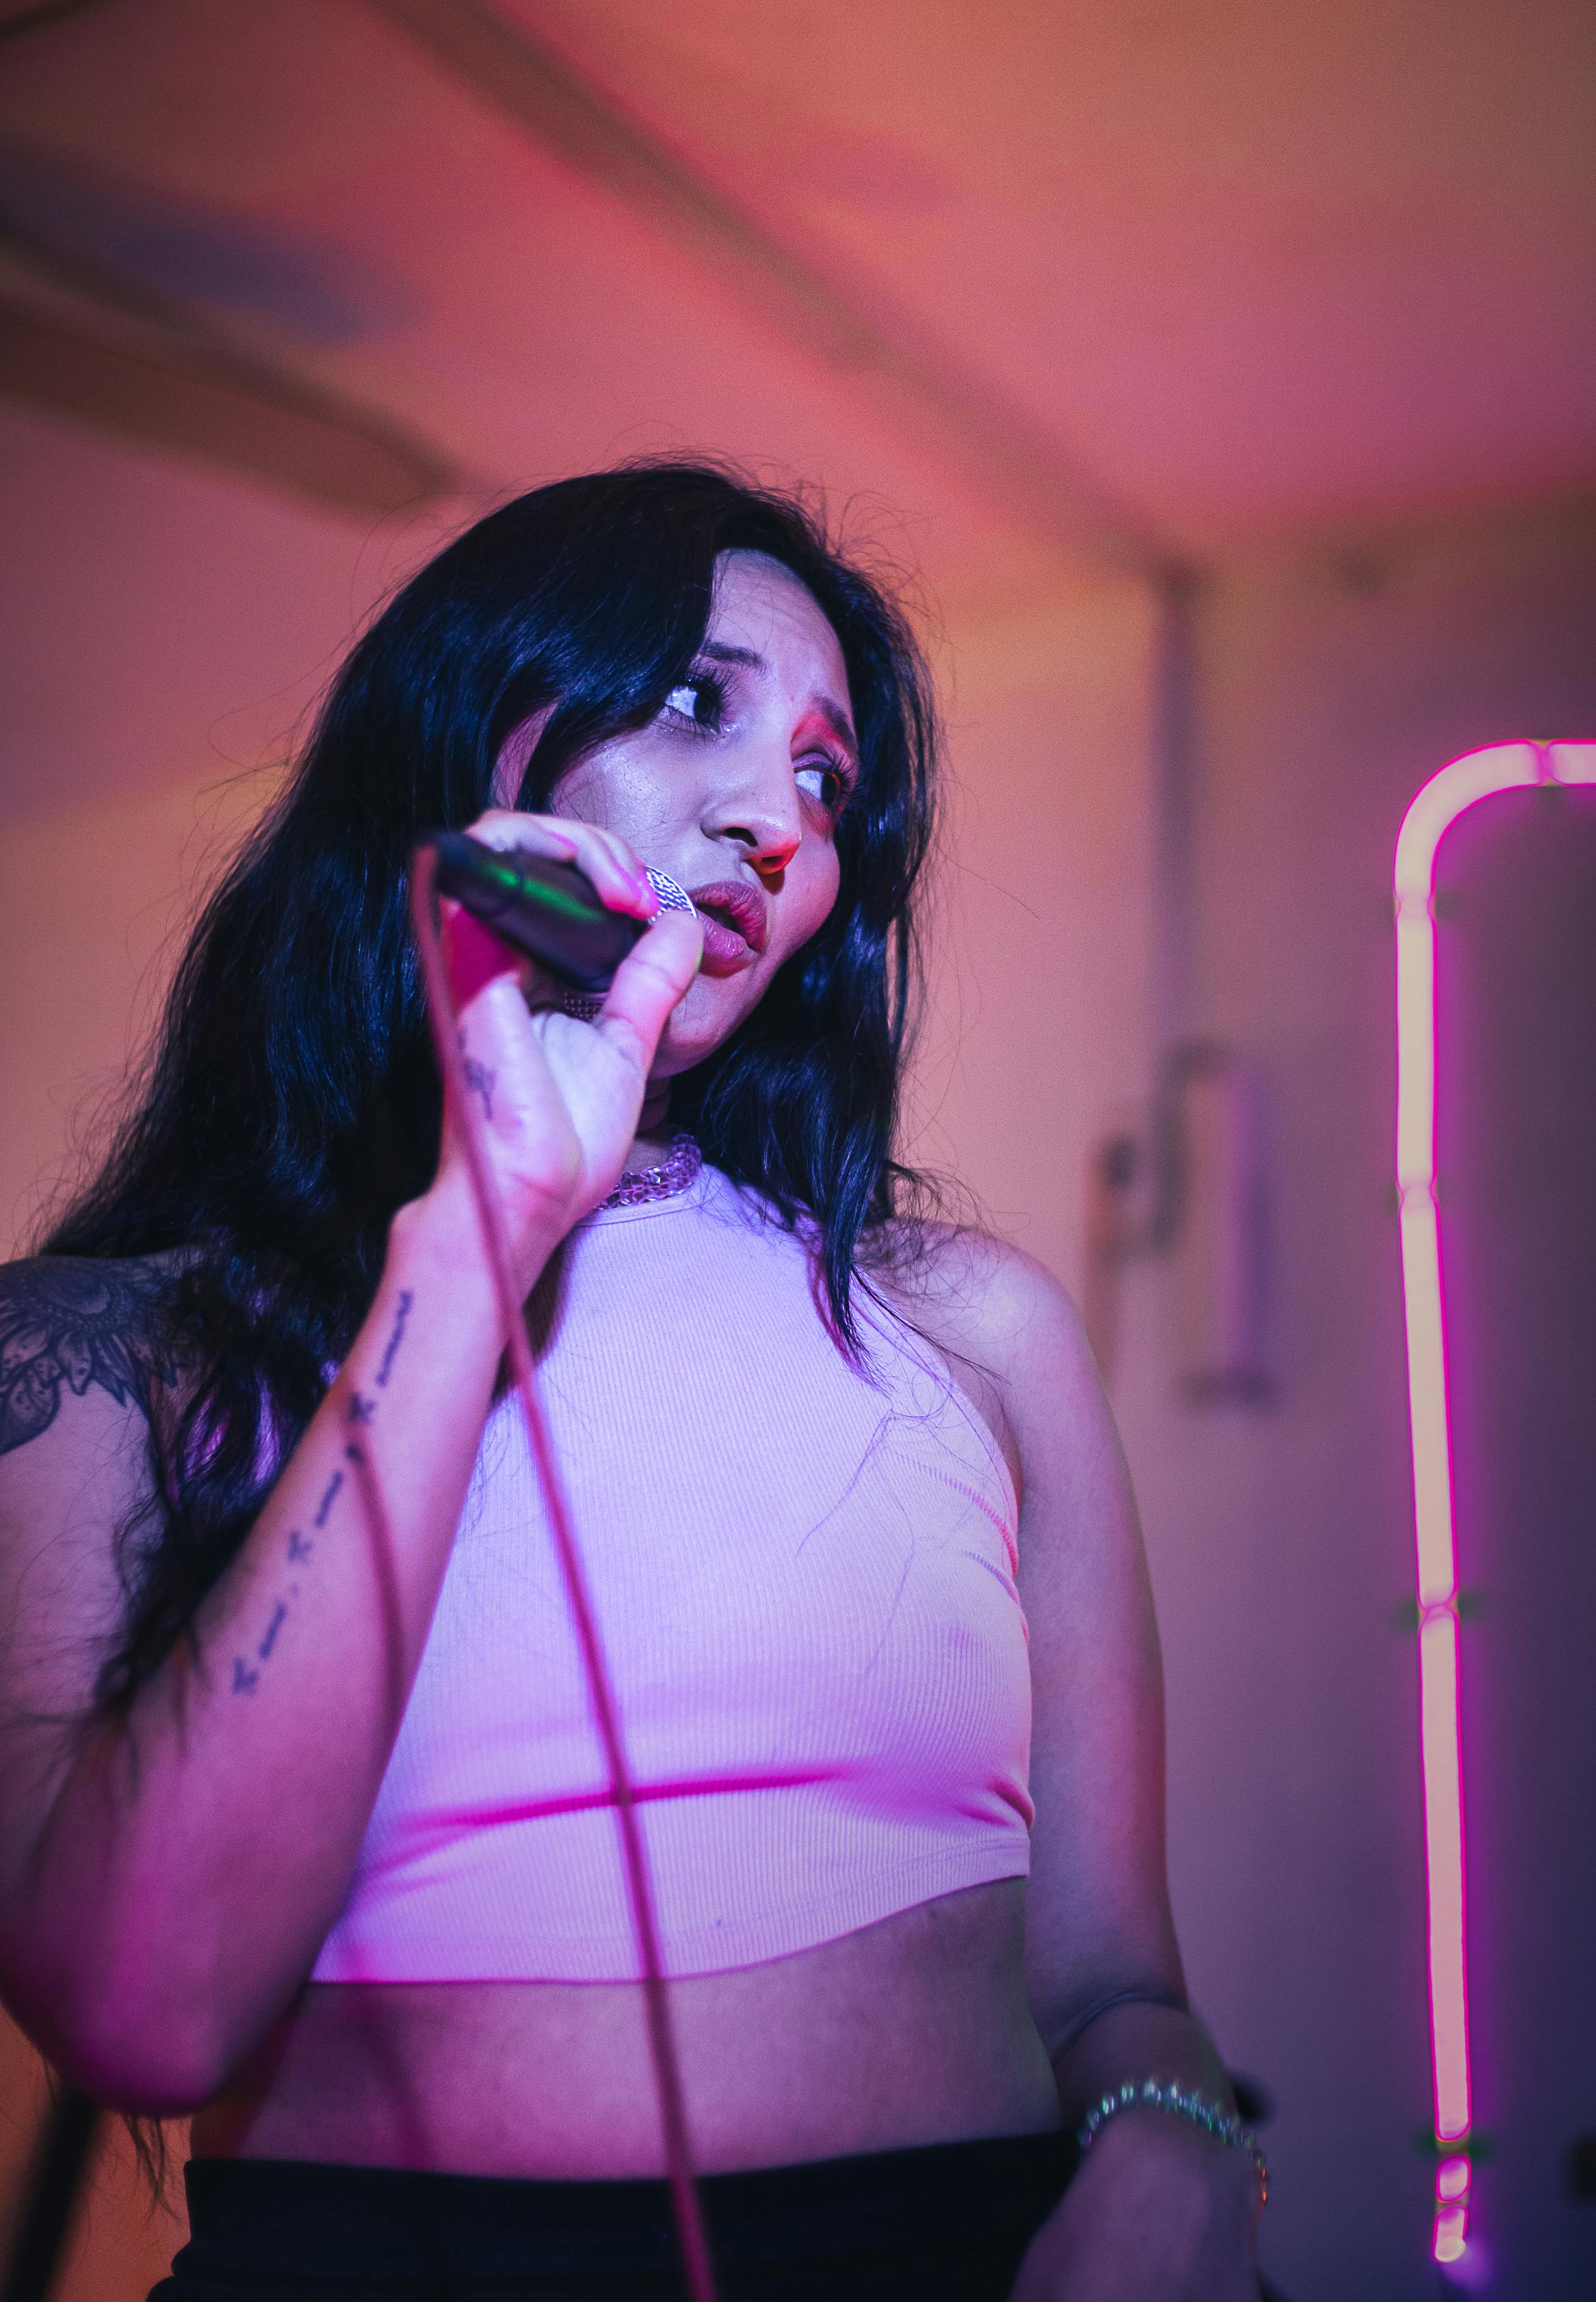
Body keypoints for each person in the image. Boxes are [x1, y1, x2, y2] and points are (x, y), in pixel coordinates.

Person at [0, 465, 1263, 2299]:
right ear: (473, 730)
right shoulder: (95, 1356)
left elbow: (1112, 1981)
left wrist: (1178, 2148)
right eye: (697, 703)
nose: (774, 818)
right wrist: (481, 1228)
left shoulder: (975, 1335)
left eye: (827, 779)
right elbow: (143, 1997)